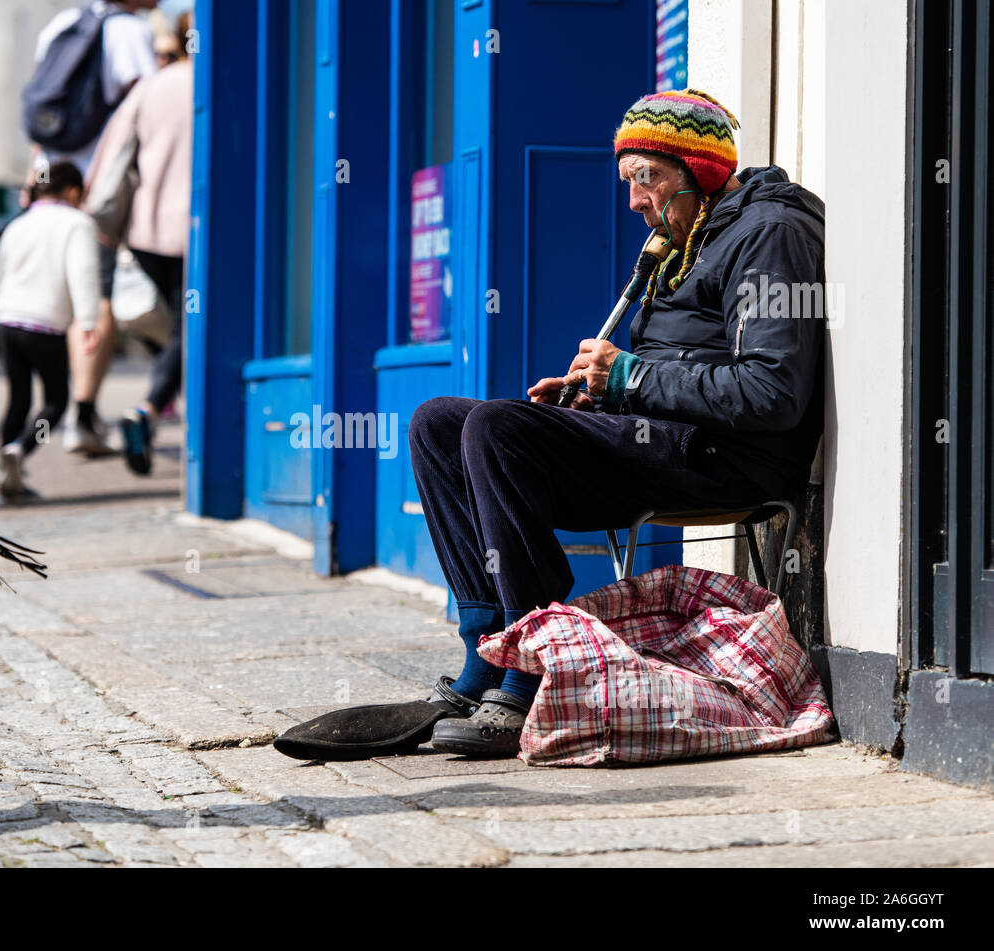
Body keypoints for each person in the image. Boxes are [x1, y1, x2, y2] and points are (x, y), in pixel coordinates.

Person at [274, 89, 826, 761]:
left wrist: (629, 377)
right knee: (440, 422)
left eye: (645, 179)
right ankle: (487, 644)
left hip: (727, 456)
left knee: (500, 429)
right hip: (664, 439)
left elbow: (773, 393)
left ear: (699, 172)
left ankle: (527, 661)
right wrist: (596, 393)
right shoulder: (683, 241)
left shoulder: (771, 234)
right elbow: (674, 368)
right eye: (629, 183)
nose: (634, 201)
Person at [23, 0, 159, 457]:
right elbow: (146, 113)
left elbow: (42, 113)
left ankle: (52, 412)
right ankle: (80, 415)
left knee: (58, 297)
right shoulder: (128, 32)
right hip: (95, 193)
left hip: (49, 183)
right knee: (95, 296)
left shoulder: (63, 24)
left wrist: (34, 177)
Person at [84, 11, 193, 475]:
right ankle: (149, 409)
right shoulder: (218, 83)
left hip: (147, 230)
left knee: (174, 328)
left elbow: (108, 157)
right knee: (186, 333)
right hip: (196, 232)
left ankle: (156, 408)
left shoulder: (152, 86)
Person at [0, 161, 101, 504]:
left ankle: (6, 466)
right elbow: (83, 272)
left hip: (7, 319)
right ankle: (21, 449)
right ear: (73, 192)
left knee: (17, 398)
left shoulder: (18, 224)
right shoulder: (77, 223)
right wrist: (89, 320)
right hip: (46, 324)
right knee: (55, 401)